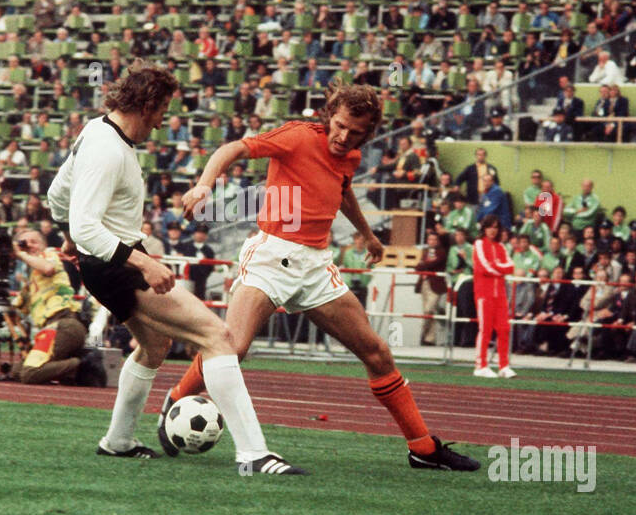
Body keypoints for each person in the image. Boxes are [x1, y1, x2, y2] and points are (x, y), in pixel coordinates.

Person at [165, 81, 480, 472]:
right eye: (340, 126)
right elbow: (234, 148)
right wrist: (203, 185)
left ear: (368, 132)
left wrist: (367, 235)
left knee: (376, 352)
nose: (344, 136)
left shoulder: (351, 156)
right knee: (233, 348)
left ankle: (423, 447)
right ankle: (176, 399)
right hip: (271, 255)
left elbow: (343, 191)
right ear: (330, 115)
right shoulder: (298, 135)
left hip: (315, 265)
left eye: (356, 132)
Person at [48, 62, 307, 473]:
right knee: (218, 336)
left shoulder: (95, 132)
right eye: (163, 107)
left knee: (154, 346)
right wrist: (142, 262)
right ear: (147, 104)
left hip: (107, 262)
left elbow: (57, 195)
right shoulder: (106, 150)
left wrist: (70, 235)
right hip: (116, 265)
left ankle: (118, 441)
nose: (164, 119)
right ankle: (254, 454)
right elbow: (85, 225)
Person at [11, 228, 88, 384]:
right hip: (52, 329)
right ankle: (68, 369)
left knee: (29, 373)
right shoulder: (31, 278)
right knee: (16, 372)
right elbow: (19, 309)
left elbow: (48, 268)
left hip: (64, 324)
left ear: (43, 245)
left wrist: (21, 254)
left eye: (34, 242)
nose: (30, 245)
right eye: (25, 243)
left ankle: (80, 364)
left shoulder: (49, 255)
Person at [472, 214, 515, 377]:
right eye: (490, 226)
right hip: (484, 293)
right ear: (484, 228)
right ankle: (480, 365)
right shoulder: (479, 244)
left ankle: (503, 366)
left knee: (504, 329)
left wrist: (495, 266)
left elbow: (510, 266)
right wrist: (499, 269)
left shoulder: (501, 247)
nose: (492, 230)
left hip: (500, 294)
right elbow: (483, 268)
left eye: (496, 227)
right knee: (485, 329)